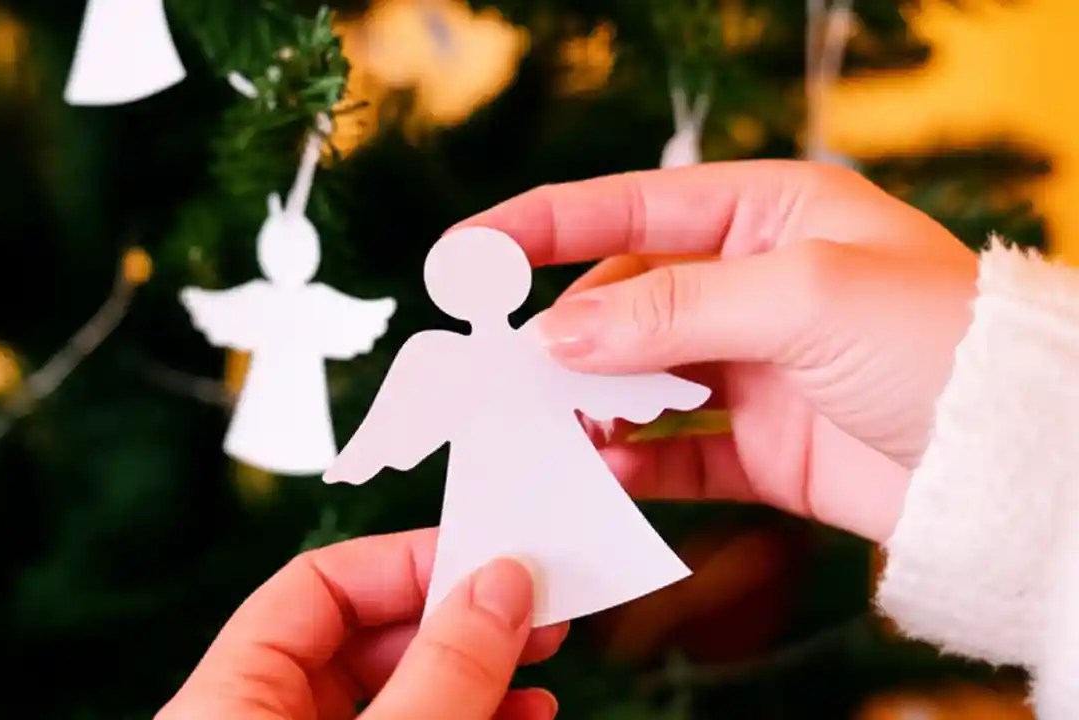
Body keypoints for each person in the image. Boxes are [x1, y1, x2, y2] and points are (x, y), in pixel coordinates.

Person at [160, 160, 1079, 718]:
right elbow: (397, 426)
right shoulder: (468, 352)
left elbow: (597, 377)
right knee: (517, 550)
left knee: (531, 554)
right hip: (506, 486)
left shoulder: (526, 341)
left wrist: (673, 375)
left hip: (533, 478)